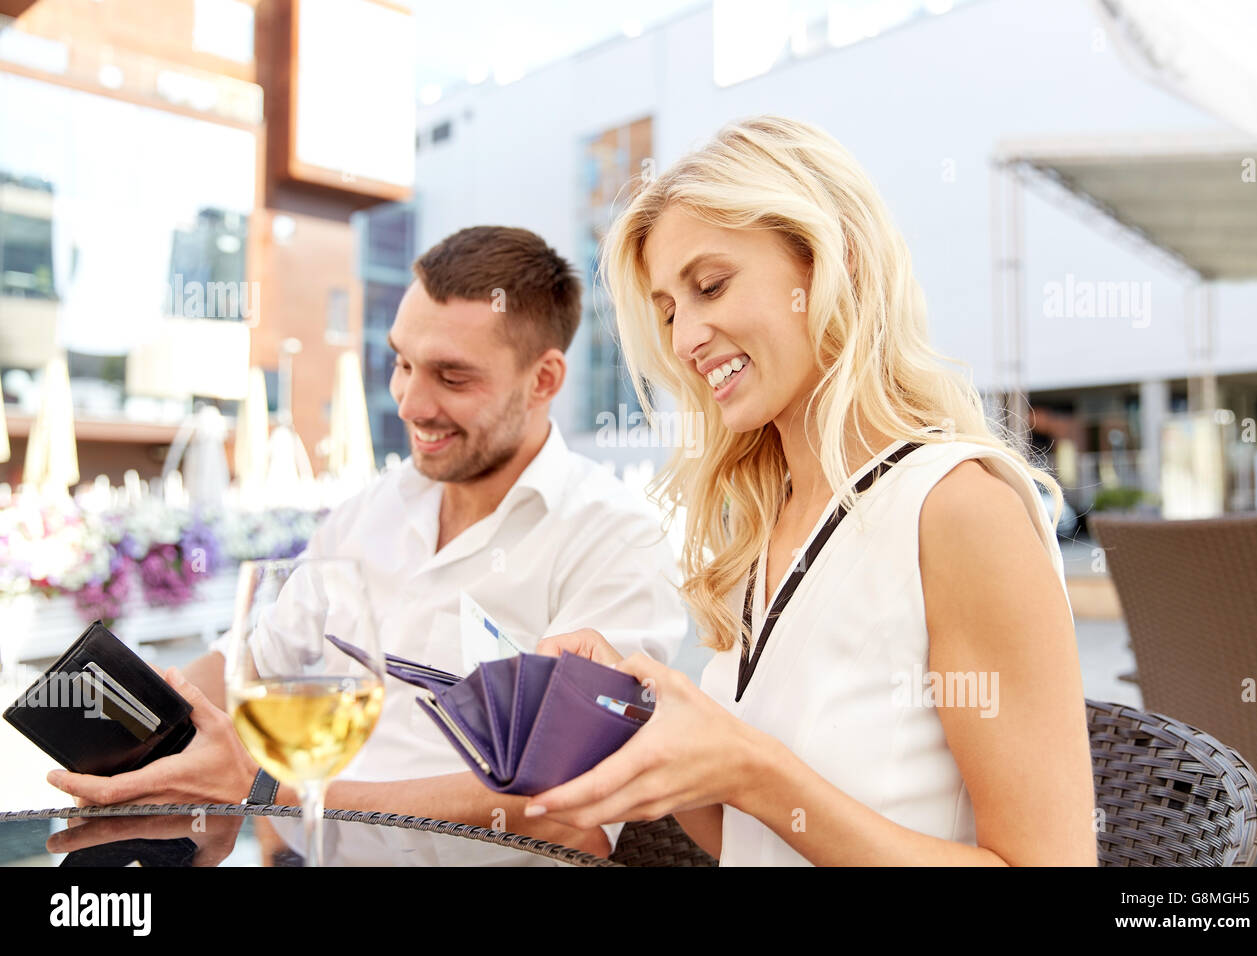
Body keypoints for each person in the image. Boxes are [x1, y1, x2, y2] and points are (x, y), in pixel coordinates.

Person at [526, 116, 1098, 866]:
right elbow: (757, 843)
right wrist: (633, 719)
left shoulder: (955, 509)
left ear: (835, 263)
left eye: (711, 286)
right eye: (669, 311)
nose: (685, 338)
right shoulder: (768, 521)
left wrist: (752, 770)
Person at [48, 226, 688, 863]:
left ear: (544, 379)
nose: (410, 402)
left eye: (452, 377)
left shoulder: (616, 540)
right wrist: (120, 738)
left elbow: (560, 805)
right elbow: (250, 664)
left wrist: (274, 793)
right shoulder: (366, 514)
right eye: (403, 363)